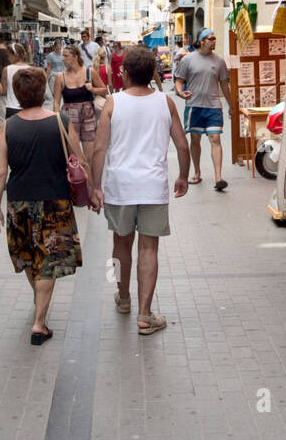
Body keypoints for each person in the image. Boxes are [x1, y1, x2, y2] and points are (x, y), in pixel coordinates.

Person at [90, 45, 189, 336]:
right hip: (153, 186)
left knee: (120, 244)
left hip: (120, 186)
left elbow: (99, 148)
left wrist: (95, 185)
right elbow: (182, 145)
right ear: (152, 74)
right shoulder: (165, 102)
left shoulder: (112, 102)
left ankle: (123, 298)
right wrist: (183, 175)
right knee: (149, 247)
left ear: (125, 73)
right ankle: (145, 315)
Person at [0, 67, 87, 344]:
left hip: (19, 201)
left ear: (17, 94)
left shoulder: (9, 126)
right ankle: (39, 321)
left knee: (31, 257)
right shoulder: (61, 121)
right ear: (42, 91)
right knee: (49, 259)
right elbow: (78, 158)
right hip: (55, 201)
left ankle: (38, 306)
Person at [174, 28, 232, 191]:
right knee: (195, 140)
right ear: (201, 41)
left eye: (214, 38)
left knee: (215, 139)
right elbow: (179, 81)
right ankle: (197, 172)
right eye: (211, 38)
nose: (214, 41)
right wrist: (180, 92)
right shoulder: (188, 60)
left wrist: (231, 105)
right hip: (194, 106)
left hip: (213, 106)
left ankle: (218, 178)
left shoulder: (219, 61)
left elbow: (224, 85)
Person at [53, 44, 106, 160]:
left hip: (88, 114)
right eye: (63, 56)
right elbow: (56, 101)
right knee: (73, 155)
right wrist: (57, 119)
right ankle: (77, 177)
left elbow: (104, 90)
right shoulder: (60, 77)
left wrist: (93, 89)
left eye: (66, 56)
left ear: (75, 57)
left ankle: (89, 177)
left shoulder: (89, 72)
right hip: (69, 117)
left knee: (90, 155)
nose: (63, 59)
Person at [3, 43, 32, 120]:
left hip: (11, 106)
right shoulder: (30, 69)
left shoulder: (6, 69)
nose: (8, 58)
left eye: (9, 55)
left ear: (14, 55)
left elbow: (4, 90)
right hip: (26, 107)